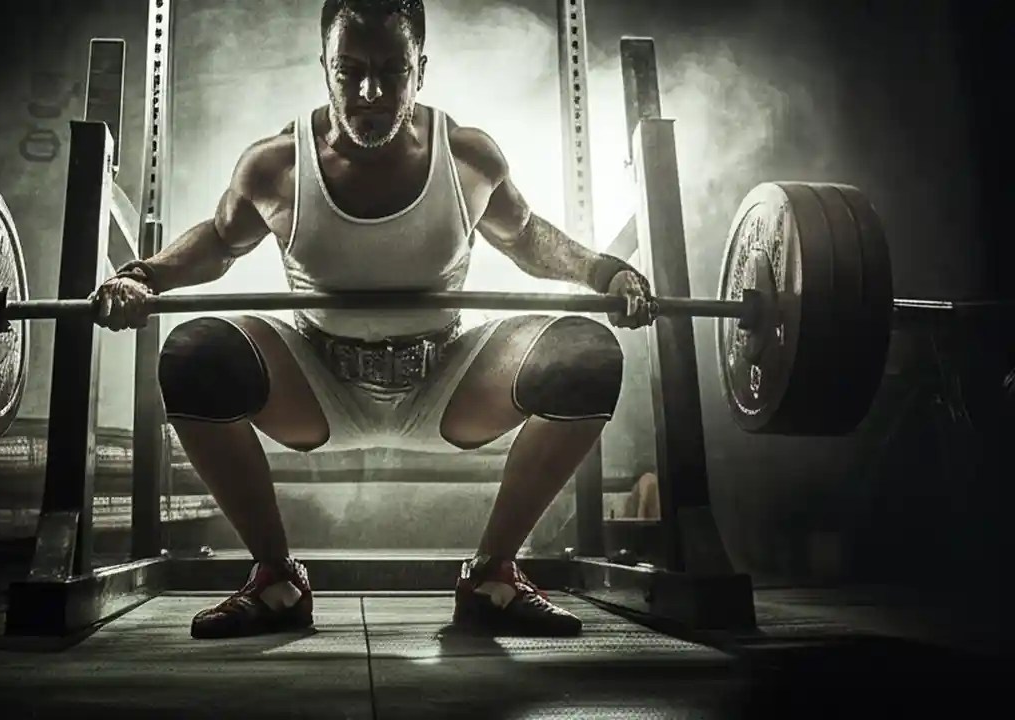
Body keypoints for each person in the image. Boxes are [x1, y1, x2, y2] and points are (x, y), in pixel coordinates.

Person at [91, 0, 654, 639]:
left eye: (392, 71)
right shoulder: (276, 164)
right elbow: (220, 242)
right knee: (193, 355)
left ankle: (493, 576)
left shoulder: (468, 158)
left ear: (421, 68)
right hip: (317, 384)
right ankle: (275, 578)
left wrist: (606, 273)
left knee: (587, 354)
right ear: (324, 67)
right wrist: (142, 276)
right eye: (350, 70)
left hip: (445, 380)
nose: (370, 91)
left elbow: (526, 237)